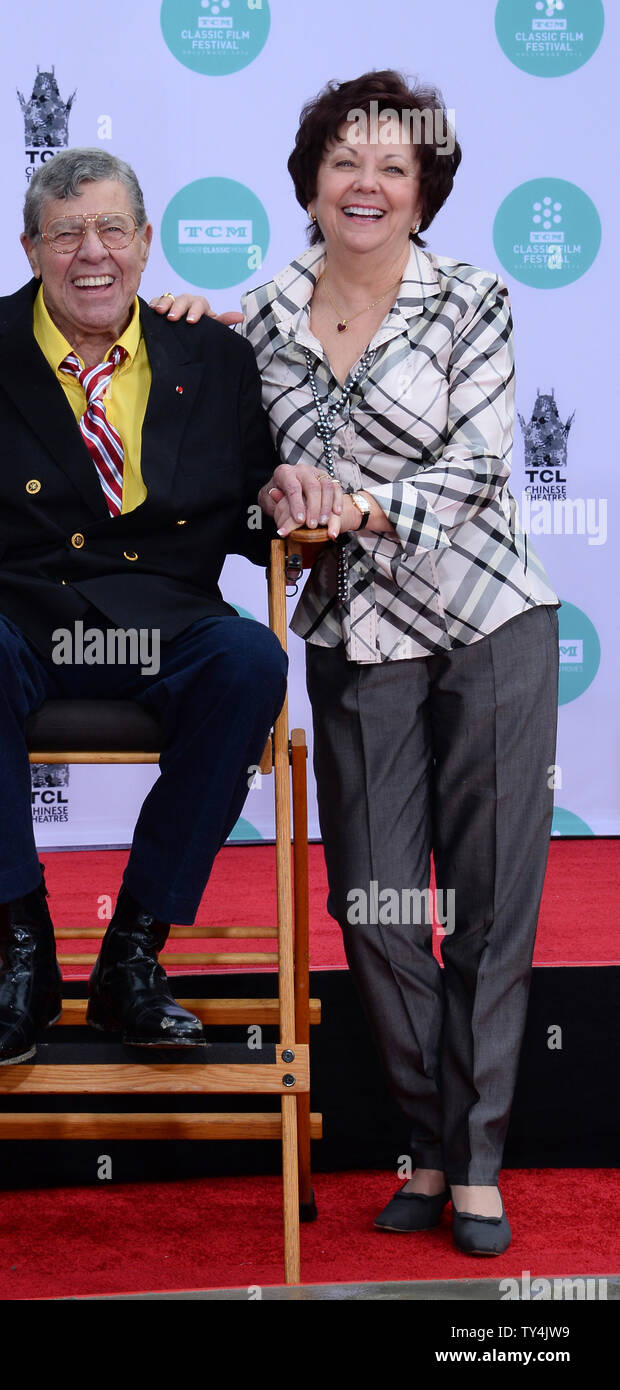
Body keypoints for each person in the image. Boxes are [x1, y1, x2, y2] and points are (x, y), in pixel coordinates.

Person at [0, 147, 287, 1067]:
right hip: (13, 611)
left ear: (145, 241)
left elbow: (257, 505)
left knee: (253, 661)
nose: (92, 252)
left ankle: (134, 954)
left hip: (161, 619)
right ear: (29, 248)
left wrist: (295, 493)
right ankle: (26, 953)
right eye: (65, 234)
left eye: (112, 229)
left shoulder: (214, 355)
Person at [241, 71, 559, 1255]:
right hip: (355, 637)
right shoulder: (259, 311)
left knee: (488, 904)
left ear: (423, 189)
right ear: (310, 181)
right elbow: (244, 461)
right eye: (344, 160)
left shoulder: (473, 299)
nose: (365, 182)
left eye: (391, 165)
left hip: (488, 623)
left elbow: (477, 465)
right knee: (373, 907)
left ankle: (470, 1163)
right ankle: (422, 1139)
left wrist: (355, 504)